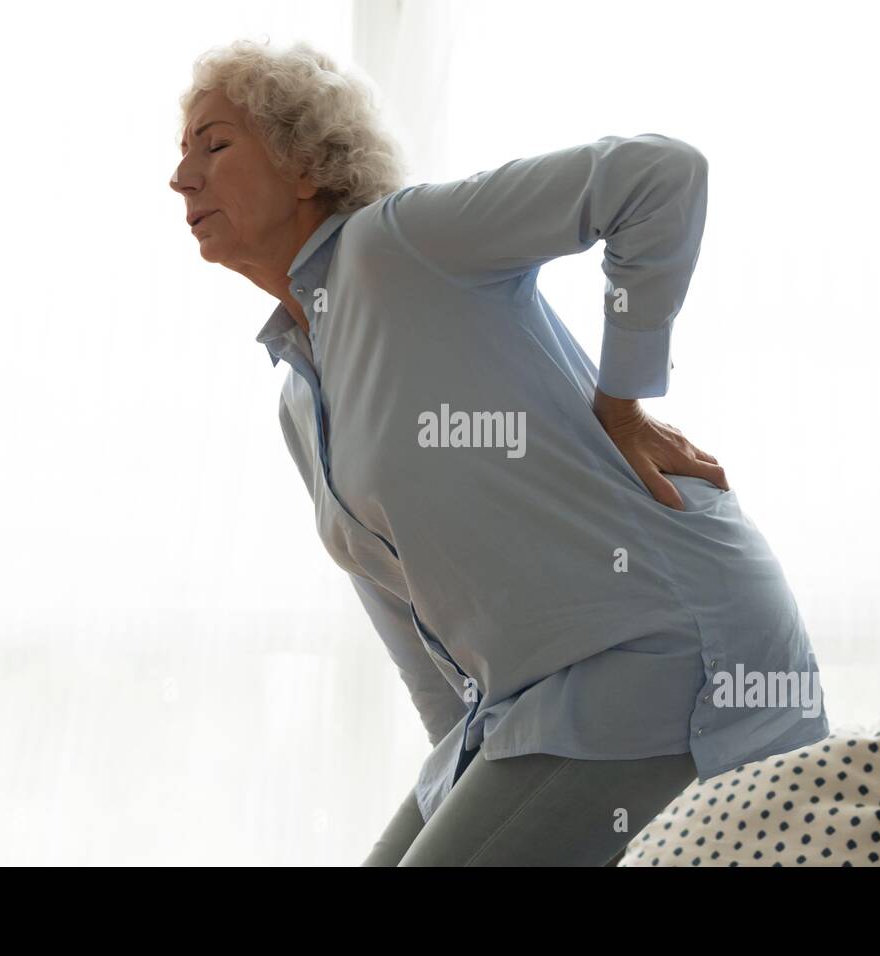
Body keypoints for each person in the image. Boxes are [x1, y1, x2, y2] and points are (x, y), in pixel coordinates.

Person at [170, 37, 831, 866]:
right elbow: (419, 643)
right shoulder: (300, 399)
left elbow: (658, 175)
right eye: (181, 154)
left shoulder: (395, 244)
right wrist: (462, 784)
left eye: (215, 144)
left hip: (671, 649)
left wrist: (622, 397)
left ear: (305, 165)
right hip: (523, 704)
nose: (181, 177)